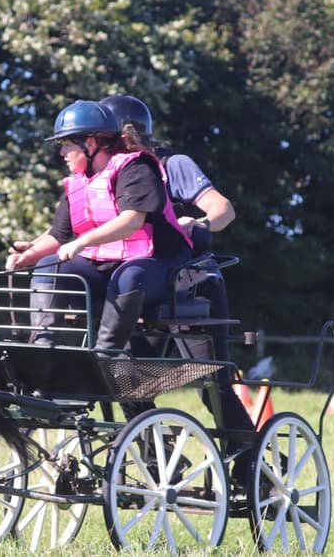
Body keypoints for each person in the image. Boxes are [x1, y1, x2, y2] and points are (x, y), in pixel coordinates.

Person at [99, 94, 256, 476]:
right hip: (147, 287)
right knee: (127, 375)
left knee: (210, 380)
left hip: (193, 286)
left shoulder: (173, 164)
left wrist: (198, 223)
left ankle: (250, 463)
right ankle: (159, 454)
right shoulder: (112, 173)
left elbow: (223, 210)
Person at [4, 99, 193, 355]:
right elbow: (59, 237)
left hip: (159, 265)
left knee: (129, 276)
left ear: (90, 143)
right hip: (106, 266)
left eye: (67, 146)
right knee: (48, 265)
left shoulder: (136, 168)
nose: (61, 154)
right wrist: (27, 256)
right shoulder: (77, 184)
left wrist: (81, 242)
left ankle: (104, 358)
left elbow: (132, 221)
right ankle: (43, 353)